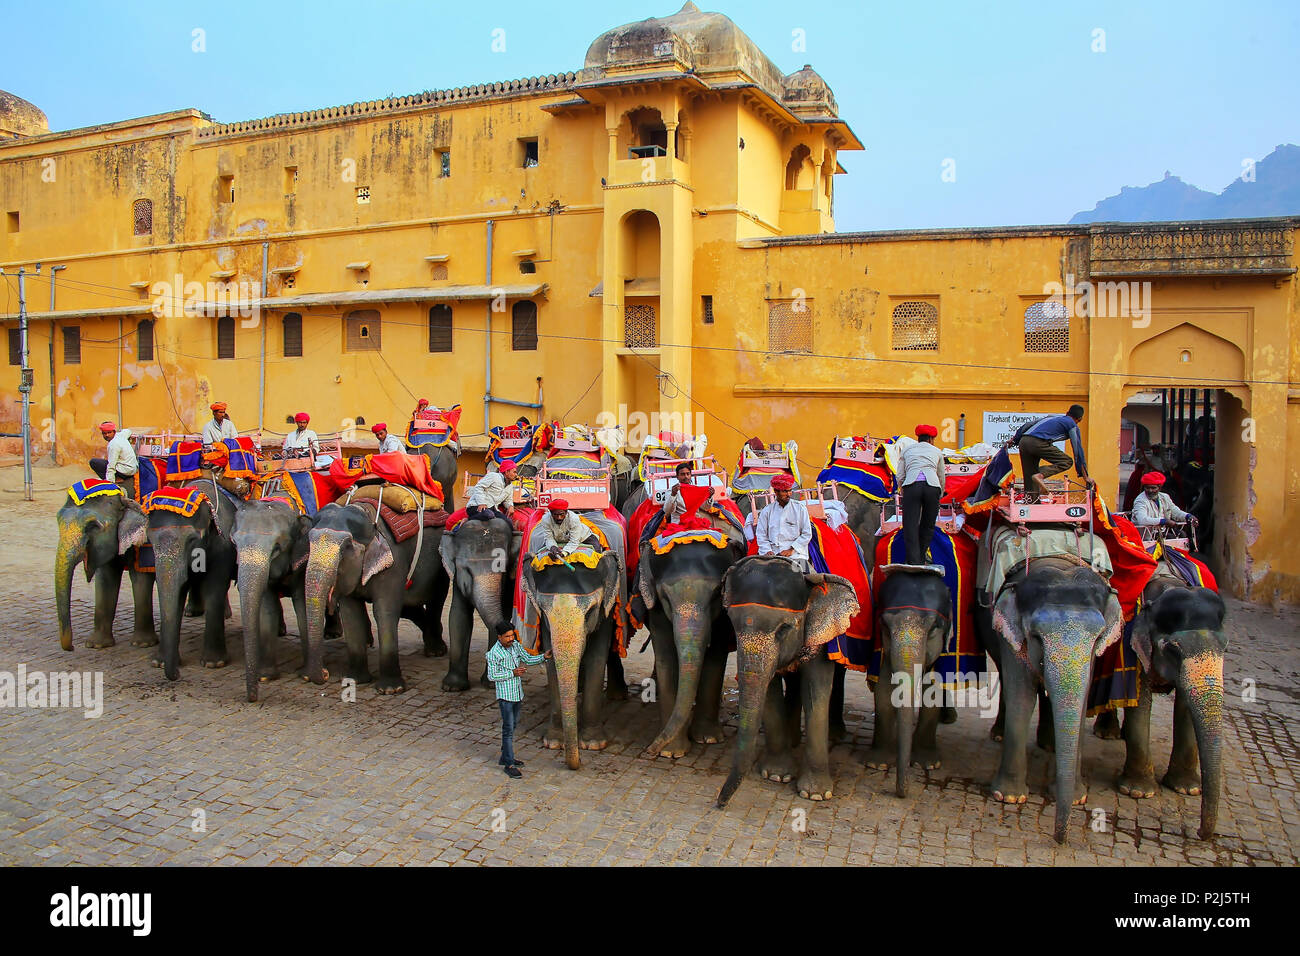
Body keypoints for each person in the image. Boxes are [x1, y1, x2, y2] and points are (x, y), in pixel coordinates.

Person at [485, 621, 551, 778]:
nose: (510, 639)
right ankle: (509, 764)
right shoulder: (494, 654)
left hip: (517, 695)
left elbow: (528, 659)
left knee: (513, 726)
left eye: (512, 635)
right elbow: (492, 676)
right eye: (507, 636)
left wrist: (543, 657)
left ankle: (505, 756)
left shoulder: (515, 646)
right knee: (508, 730)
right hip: (505, 697)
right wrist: (512, 673)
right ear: (499, 637)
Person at [1015, 404, 1093, 495]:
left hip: (1023, 441)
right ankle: (1040, 474)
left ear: (1067, 413)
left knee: (1029, 476)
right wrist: (1085, 477)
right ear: (1079, 419)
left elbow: (1028, 425)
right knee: (1066, 461)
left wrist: (1015, 439)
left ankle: (1030, 503)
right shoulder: (1072, 425)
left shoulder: (1052, 417)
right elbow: (1078, 451)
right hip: (1038, 443)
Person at [899, 424, 944, 565]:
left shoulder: (907, 450)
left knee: (910, 525)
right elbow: (941, 476)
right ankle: (922, 557)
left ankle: (913, 561)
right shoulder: (937, 451)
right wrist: (940, 493)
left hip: (912, 486)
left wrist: (903, 490)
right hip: (932, 487)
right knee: (928, 524)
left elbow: (900, 475)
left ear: (918, 438)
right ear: (931, 439)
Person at [755, 473, 812, 571]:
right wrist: (767, 551)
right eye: (785, 491)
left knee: (805, 580)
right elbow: (761, 535)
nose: (789, 494)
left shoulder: (800, 509)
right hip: (773, 555)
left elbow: (807, 534)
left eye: (790, 491)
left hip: (796, 555)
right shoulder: (767, 511)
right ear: (776, 492)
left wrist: (791, 550)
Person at [89, 421, 138, 489]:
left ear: (114, 432)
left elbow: (111, 465)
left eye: (109, 433)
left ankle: (117, 478)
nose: (107, 435)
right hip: (132, 468)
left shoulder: (113, 445)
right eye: (104, 433)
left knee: (94, 462)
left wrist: (110, 481)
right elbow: (128, 431)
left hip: (125, 471)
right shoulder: (121, 435)